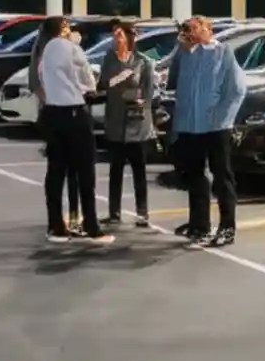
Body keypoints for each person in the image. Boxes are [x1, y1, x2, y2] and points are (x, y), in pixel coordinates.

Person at [167, 16, 246, 248]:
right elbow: (172, 82)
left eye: (196, 28)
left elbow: (237, 90)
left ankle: (227, 228)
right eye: (188, 29)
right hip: (189, 127)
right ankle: (199, 225)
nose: (191, 32)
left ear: (208, 29)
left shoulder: (222, 52)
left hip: (216, 127)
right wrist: (180, 49)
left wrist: (221, 117)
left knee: (222, 178)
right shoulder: (185, 54)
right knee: (195, 178)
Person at [37, 16, 112, 244]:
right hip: (74, 113)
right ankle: (91, 226)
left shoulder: (44, 53)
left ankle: (56, 227)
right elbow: (86, 79)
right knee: (84, 172)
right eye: (68, 26)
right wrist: (90, 90)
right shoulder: (71, 48)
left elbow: (42, 79)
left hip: (52, 113)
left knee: (55, 171)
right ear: (62, 29)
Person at [98, 20, 156, 227]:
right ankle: (114, 212)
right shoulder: (109, 59)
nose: (116, 39)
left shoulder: (143, 62)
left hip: (137, 123)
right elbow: (103, 84)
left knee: (139, 170)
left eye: (119, 35)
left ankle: (143, 212)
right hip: (115, 120)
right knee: (116, 169)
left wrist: (141, 102)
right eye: (114, 36)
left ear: (129, 38)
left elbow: (149, 93)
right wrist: (119, 78)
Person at [30, 25, 81, 234]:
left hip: (61, 114)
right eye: (65, 28)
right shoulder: (45, 57)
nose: (69, 32)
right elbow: (37, 85)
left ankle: (71, 218)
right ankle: (58, 221)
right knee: (59, 170)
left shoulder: (56, 53)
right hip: (58, 116)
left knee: (69, 171)